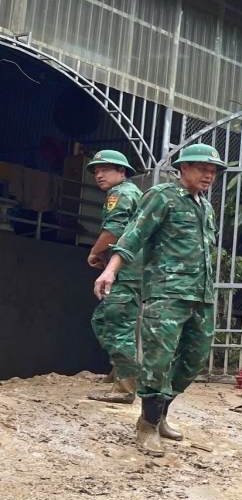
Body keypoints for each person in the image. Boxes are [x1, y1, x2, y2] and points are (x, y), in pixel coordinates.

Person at [93, 144, 225, 457]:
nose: (209, 175)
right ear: (184, 168)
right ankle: (148, 424)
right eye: (202, 168)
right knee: (158, 361)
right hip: (166, 294)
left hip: (202, 295)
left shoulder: (205, 207)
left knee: (194, 361)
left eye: (213, 170)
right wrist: (110, 270)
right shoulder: (162, 196)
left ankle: (161, 413)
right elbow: (134, 235)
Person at [84, 150, 143, 405]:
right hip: (131, 270)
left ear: (122, 171)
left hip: (128, 272)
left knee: (117, 327)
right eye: (96, 171)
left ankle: (125, 387)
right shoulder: (130, 192)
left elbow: (114, 230)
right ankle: (120, 373)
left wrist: (94, 251)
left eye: (105, 169)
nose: (99, 174)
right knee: (103, 320)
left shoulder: (121, 193)